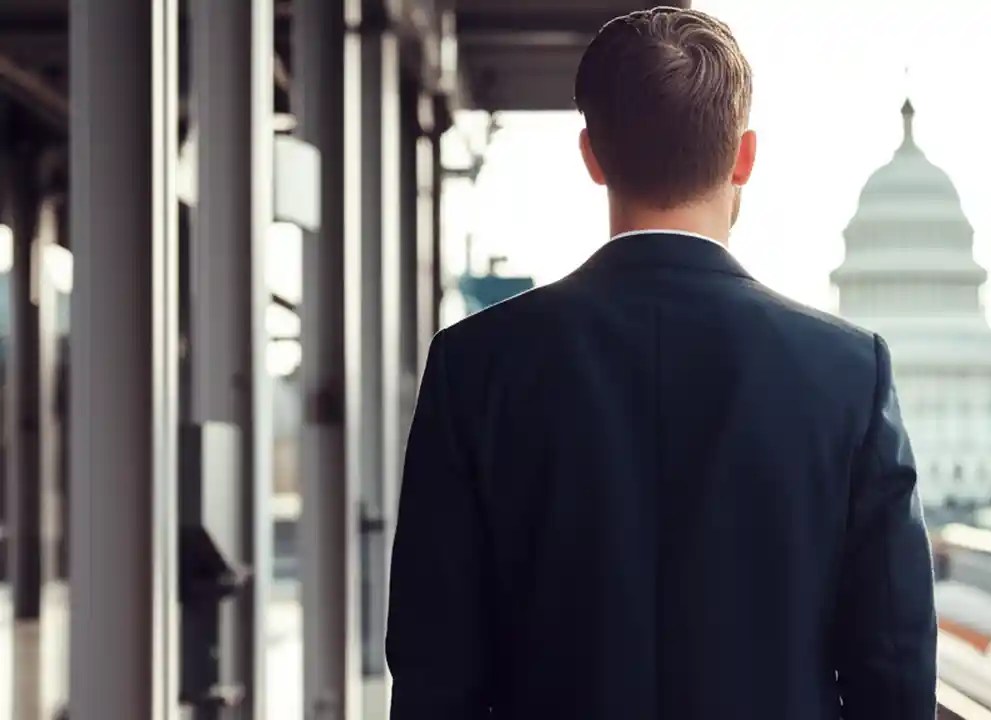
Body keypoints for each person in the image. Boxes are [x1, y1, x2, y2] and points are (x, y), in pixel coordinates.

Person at [386, 6, 937, 719]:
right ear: (745, 156)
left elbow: (434, 673)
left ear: (592, 155)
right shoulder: (849, 374)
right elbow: (892, 672)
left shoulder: (475, 366)